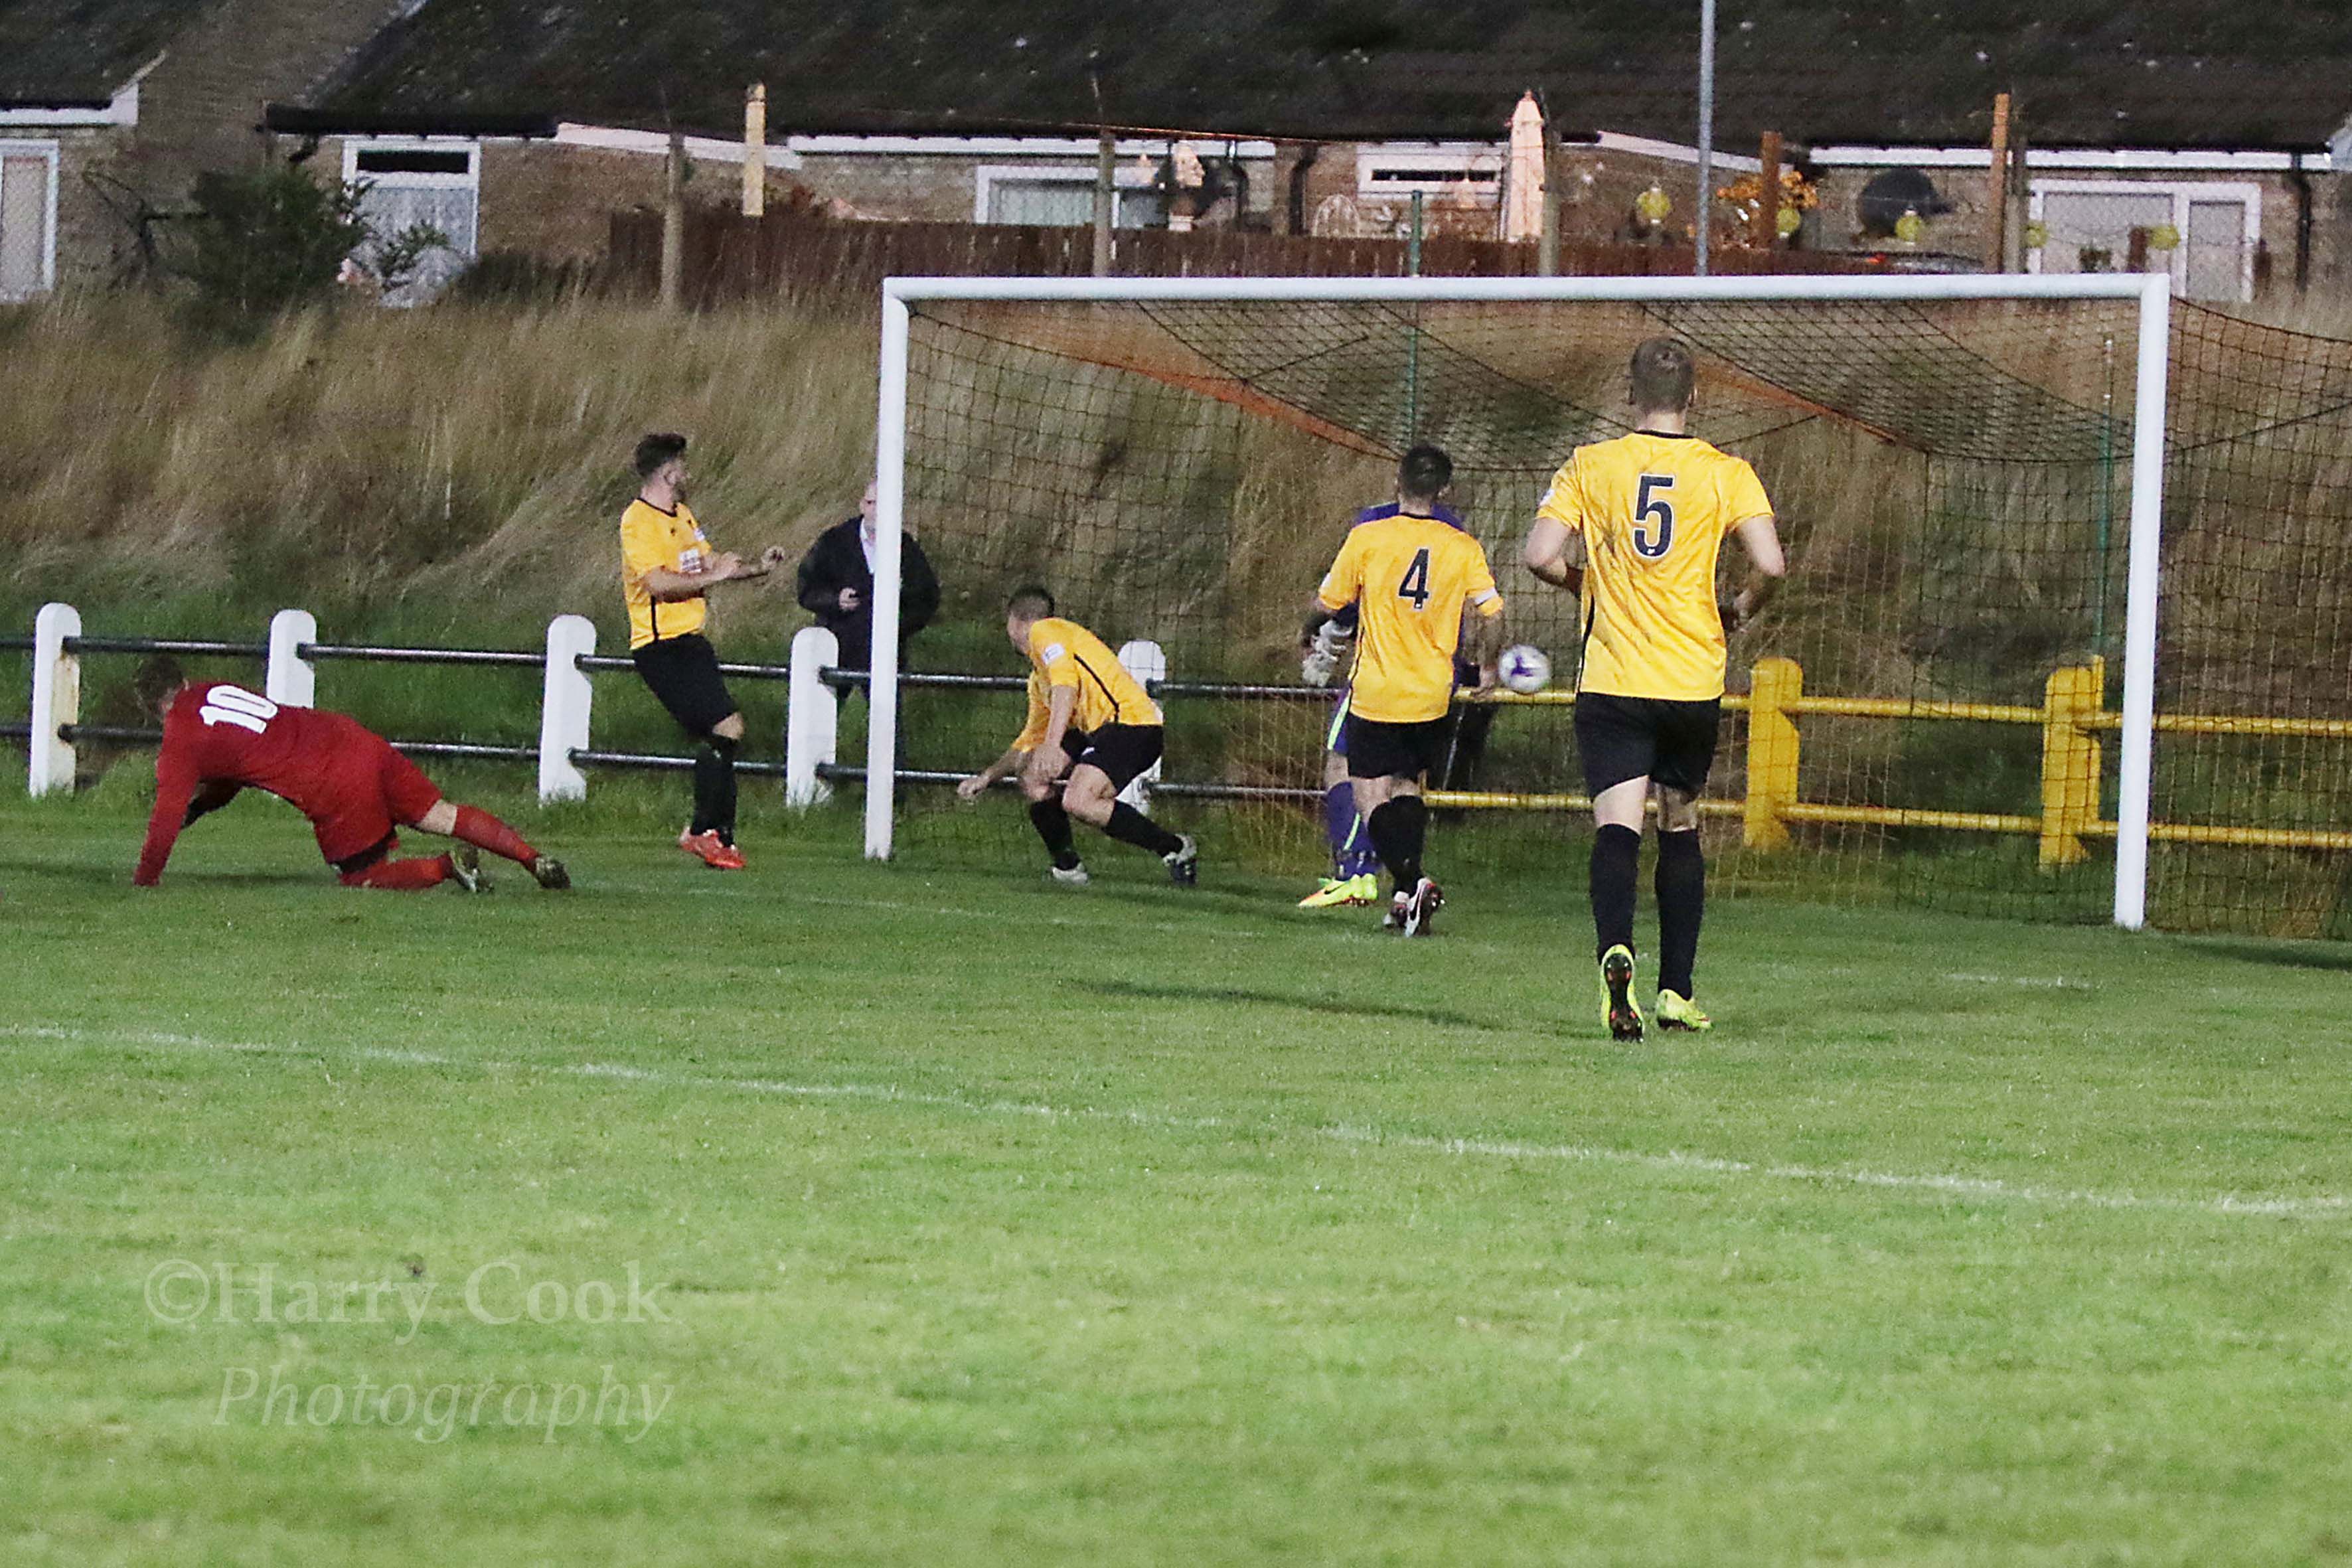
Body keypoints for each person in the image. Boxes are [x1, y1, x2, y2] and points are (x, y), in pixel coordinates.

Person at [1522, 337, 1786, 1040]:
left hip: (1612, 678)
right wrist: (1742, 605)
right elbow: (1771, 561)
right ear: (1694, 399)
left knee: (1617, 825)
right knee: (1680, 821)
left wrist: (1586, 586)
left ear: (1629, 396)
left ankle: (1617, 950)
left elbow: (1538, 555)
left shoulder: (1591, 464)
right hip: (1690, 679)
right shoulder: (1726, 472)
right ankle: (1676, 990)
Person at [130, 657, 568, 892]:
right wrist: (204, 806)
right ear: (183, 681)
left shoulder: (181, 736)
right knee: (439, 814)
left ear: (151, 706)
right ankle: (532, 858)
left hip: (331, 781)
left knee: (363, 875)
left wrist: (146, 879)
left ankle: (445, 867)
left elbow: (164, 819)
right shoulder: (213, 690)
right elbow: (234, 769)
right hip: (348, 736)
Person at [1304, 445, 1505, 935]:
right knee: (1408, 785)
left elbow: (1328, 602)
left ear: (1397, 483)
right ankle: (1403, 900)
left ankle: (1413, 881)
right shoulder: (1462, 545)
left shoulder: (1369, 535)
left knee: (1368, 792)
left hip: (1377, 688)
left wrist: (1306, 631)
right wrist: (1490, 666)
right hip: (1433, 691)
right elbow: (1493, 613)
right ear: (1444, 490)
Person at [955, 586, 1198, 888]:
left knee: (1079, 801)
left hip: (1134, 726)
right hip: (1099, 732)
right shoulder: (1038, 677)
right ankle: (1068, 868)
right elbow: (1029, 739)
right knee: (1032, 774)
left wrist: (1053, 744)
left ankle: (1174, 847)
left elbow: (1066, 685)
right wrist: (987, 777)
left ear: (1016, 622)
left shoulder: (1045, 631)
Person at [1296, 493, 1472, 910]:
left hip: (1382, 674)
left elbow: (1347, 597)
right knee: (1405, 781)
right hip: (1435, 678)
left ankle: (1357, 874)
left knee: (1346, 766)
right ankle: (1406, 888)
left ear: (1400, 484)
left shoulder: (1376, 524)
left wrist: (1323, 645)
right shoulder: (1456, 535)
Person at [622, 431, 788, 872]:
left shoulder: (683, 515)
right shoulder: (638, 522)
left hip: (690, 642)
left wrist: (756, 568)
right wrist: (714, 578)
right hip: (660, 647)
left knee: (726, 731)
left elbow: (710, 566)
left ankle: (713, 834)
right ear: (668, 472)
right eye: (683, 465)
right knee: (727, 728)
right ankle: (706, 832)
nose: (689, 473)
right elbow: (656, 583)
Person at [793, 477, 943, 681]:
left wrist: (898, 626)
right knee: (823, 709)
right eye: (871, 503)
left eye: (883, 505)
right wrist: (835, 600)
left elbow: (927, 597)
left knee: (888, 712)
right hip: (837, 647)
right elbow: (806, 588)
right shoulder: (834, 541)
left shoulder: (905, 547)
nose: (876, 511)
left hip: (886, 652)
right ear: (862, 505)